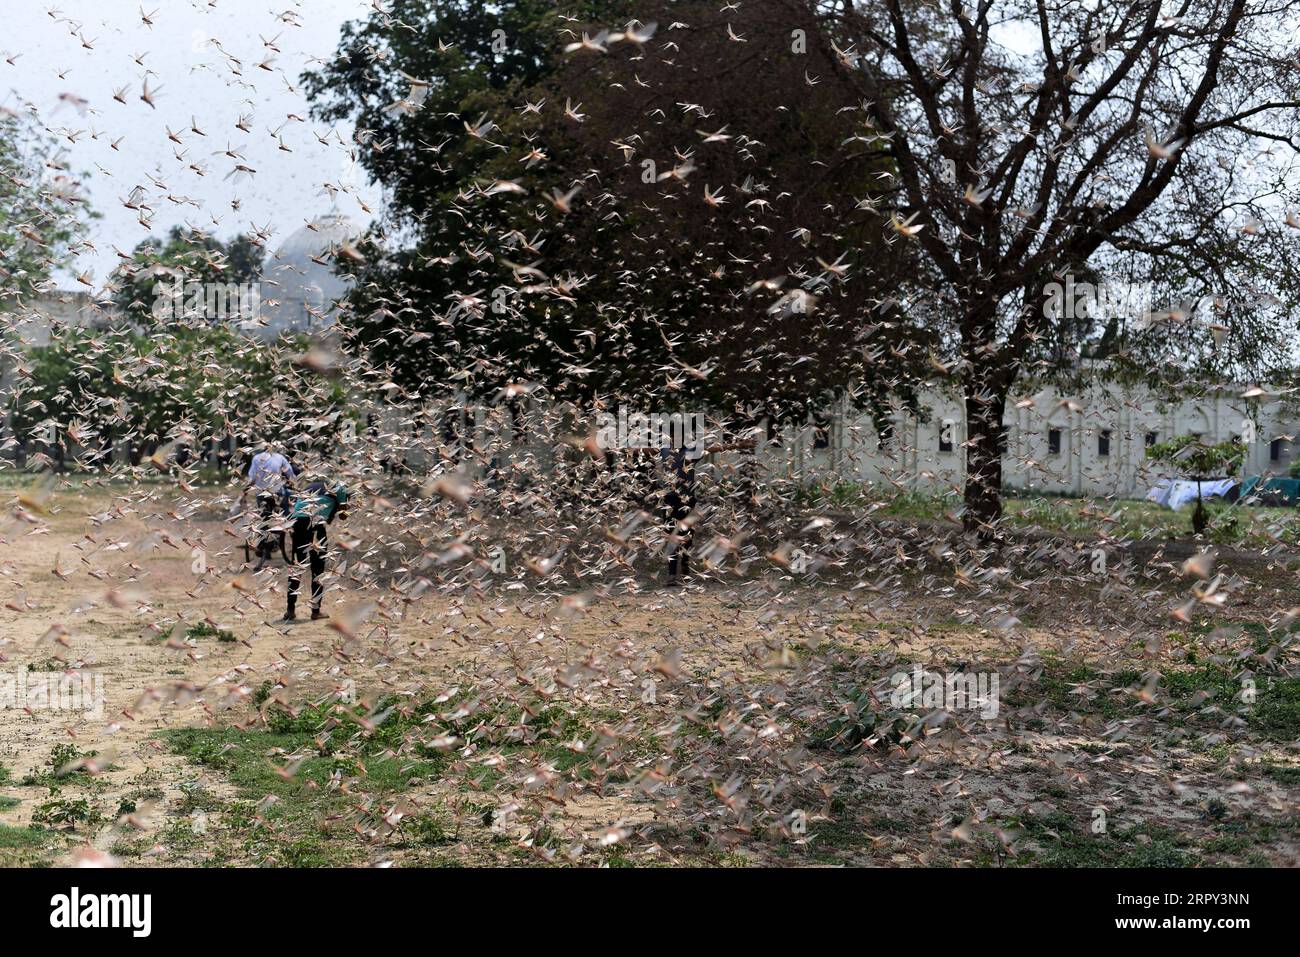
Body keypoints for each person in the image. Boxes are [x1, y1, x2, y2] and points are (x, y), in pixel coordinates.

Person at [282, 472, 350, 623]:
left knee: (297, 566)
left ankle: (290, 610)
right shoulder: (341, 489)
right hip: (315, 524)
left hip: (298, 523)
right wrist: (346, 504)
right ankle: (315, 611)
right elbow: (343, 516)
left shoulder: (311, 486)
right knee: (318, 570)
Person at [246, 441, 296, 569]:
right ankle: (276, 540)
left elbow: (252, 477)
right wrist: (293, 484)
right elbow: (290, 474)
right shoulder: (280, 457)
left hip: (261, 494)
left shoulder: (256, 458)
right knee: (281, 517)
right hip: (277, 494)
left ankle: (262, 545)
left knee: (263, 518)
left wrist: (246, 488)